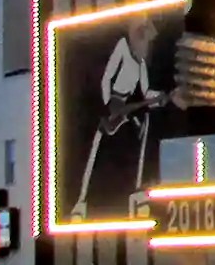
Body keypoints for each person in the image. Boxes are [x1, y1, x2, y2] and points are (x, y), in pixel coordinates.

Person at [70, 15, 164, 219]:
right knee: (96, 144)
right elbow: (107, 78)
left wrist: (158, 98)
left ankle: (138, 187)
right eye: (144, 38)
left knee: (144, 124)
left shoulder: (140, 64)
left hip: (127, 109)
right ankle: (81, 200)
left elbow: (145, 92)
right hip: (113, 103)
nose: (146, 45)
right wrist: (108, 106)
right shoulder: (122, 47)